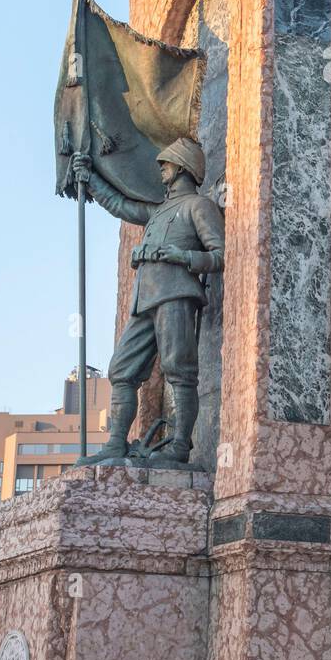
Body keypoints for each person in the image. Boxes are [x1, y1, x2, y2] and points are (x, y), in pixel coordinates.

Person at [72, 137, 224, 464]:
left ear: (183, 165)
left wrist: (182, 255)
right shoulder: (158, 211)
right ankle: (115, 443)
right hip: (145, 299)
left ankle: (179, 447)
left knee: (178, 370)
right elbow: (120, 206)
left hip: (176, 293)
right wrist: (90, 178)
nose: (161, 169)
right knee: (122, 370)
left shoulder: (199, 206)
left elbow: (219, 255)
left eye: (166, 163)